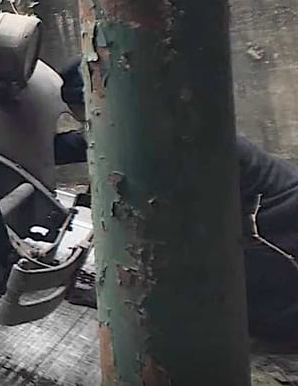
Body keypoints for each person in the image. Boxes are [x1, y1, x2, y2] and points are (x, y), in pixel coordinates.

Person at [54, 58, 298, 341]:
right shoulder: (140, 119)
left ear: (101, 104)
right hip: (257, 215)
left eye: (86, 117)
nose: (86, 126)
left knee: (260, 320)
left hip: (275, 221)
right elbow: (81, 142)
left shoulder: (161, 133)